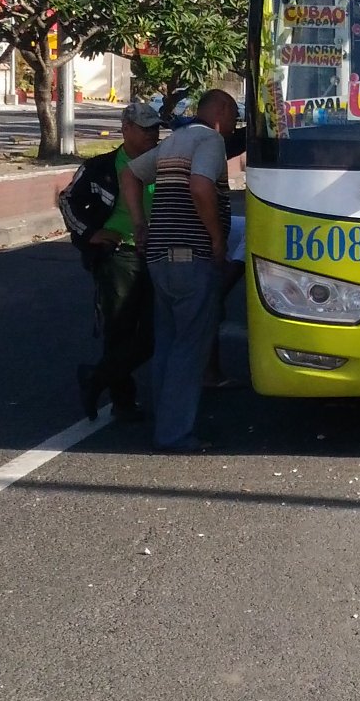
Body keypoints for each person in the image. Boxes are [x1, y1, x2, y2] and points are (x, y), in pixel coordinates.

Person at [121, 89, 239, 453]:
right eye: (234, 117)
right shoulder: (210, 140)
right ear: (220, 112)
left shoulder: (176, 141)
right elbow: (201, 186)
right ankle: (175, 435)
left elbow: (129, 174)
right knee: (190, 349)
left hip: (159, 256)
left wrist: (141, 224)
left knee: (169, 345)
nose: (235, 126)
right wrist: (217, 239)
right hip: (192, 257)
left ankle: (165, 423)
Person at [65, 102, 162, 422]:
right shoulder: (101, 168)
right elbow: (68, 200)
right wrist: (92, 233)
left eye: (155, 128)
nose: (152, 134)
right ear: (126, 130)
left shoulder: (165, 162)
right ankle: (123, 401)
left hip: (159, 255)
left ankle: (95, 377)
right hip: (120, 258)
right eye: (144, 128)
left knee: (153, 334)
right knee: (119, 330)